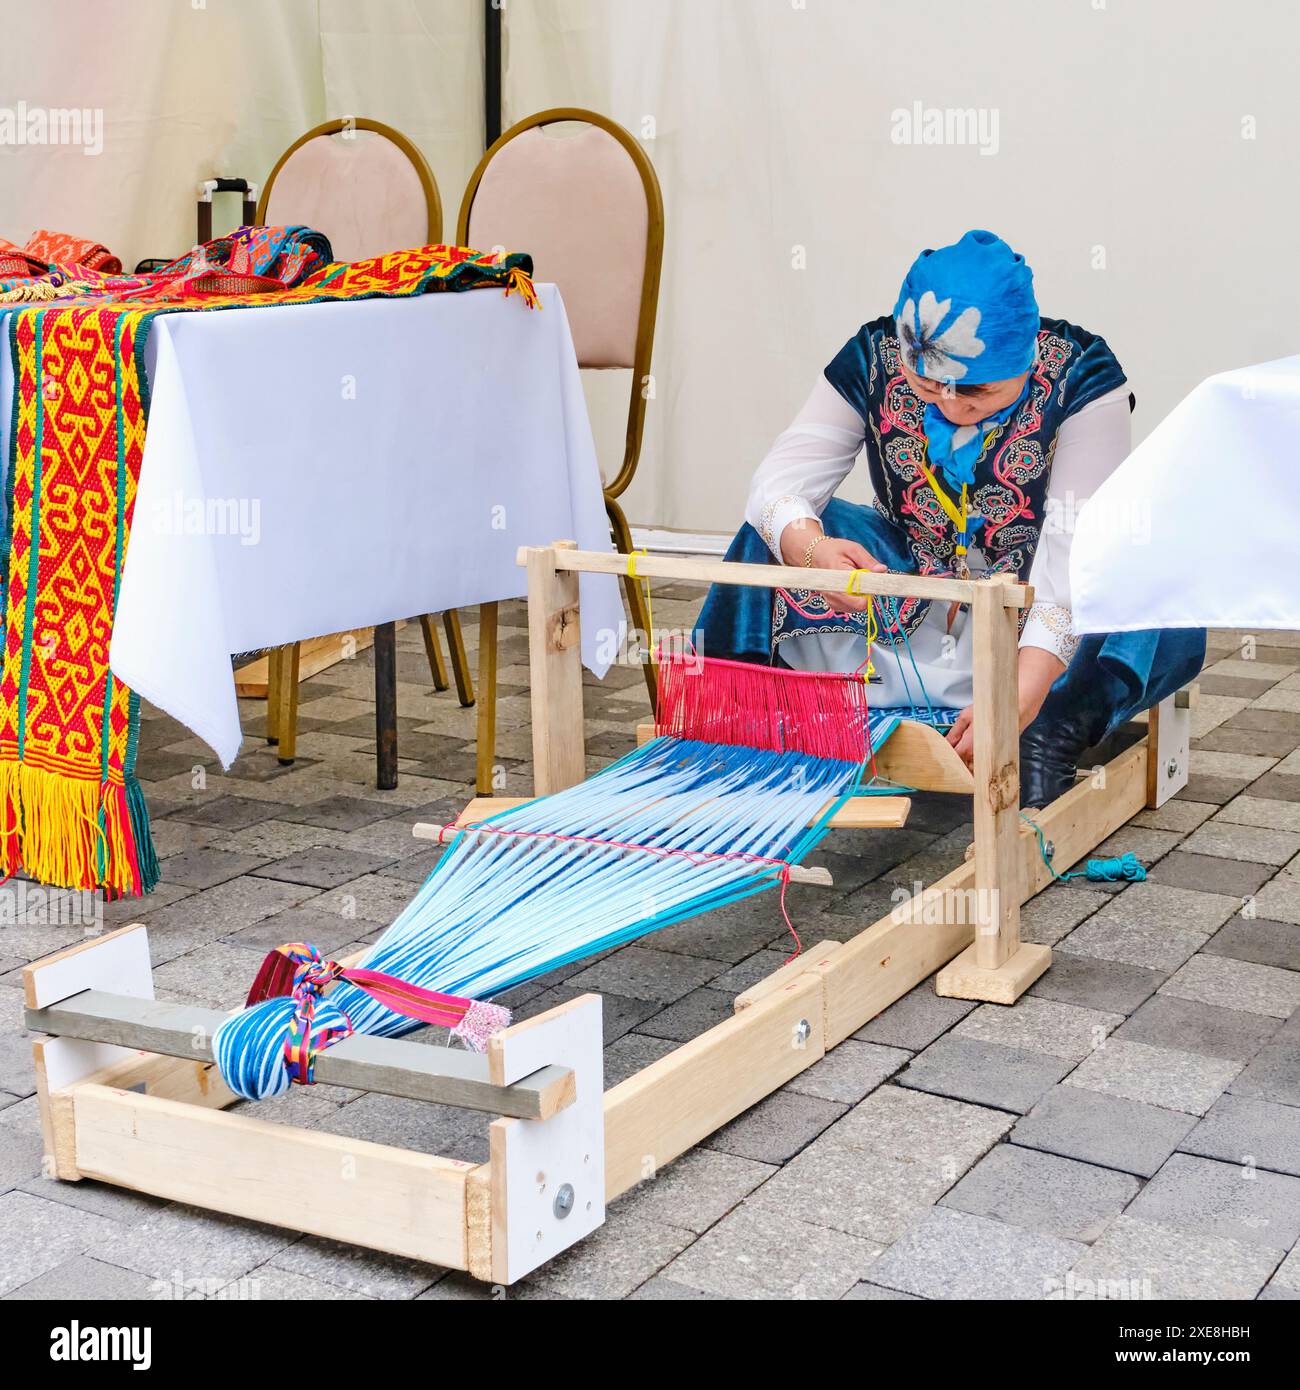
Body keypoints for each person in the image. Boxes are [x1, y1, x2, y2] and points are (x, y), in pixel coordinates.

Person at [698, 229, 1204, 806]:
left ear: (1028, 355)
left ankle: (1046, 732)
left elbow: (1071, 555)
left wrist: (1017, 697)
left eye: (978, 391)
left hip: (1036, 616)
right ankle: (744, 714)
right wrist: (811, 552)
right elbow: (781, 480)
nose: (950, 406)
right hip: (908, 591)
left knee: (1138, 556)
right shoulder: (873, 355)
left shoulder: (1083, 378)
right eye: (926, 384)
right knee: (771, 529)